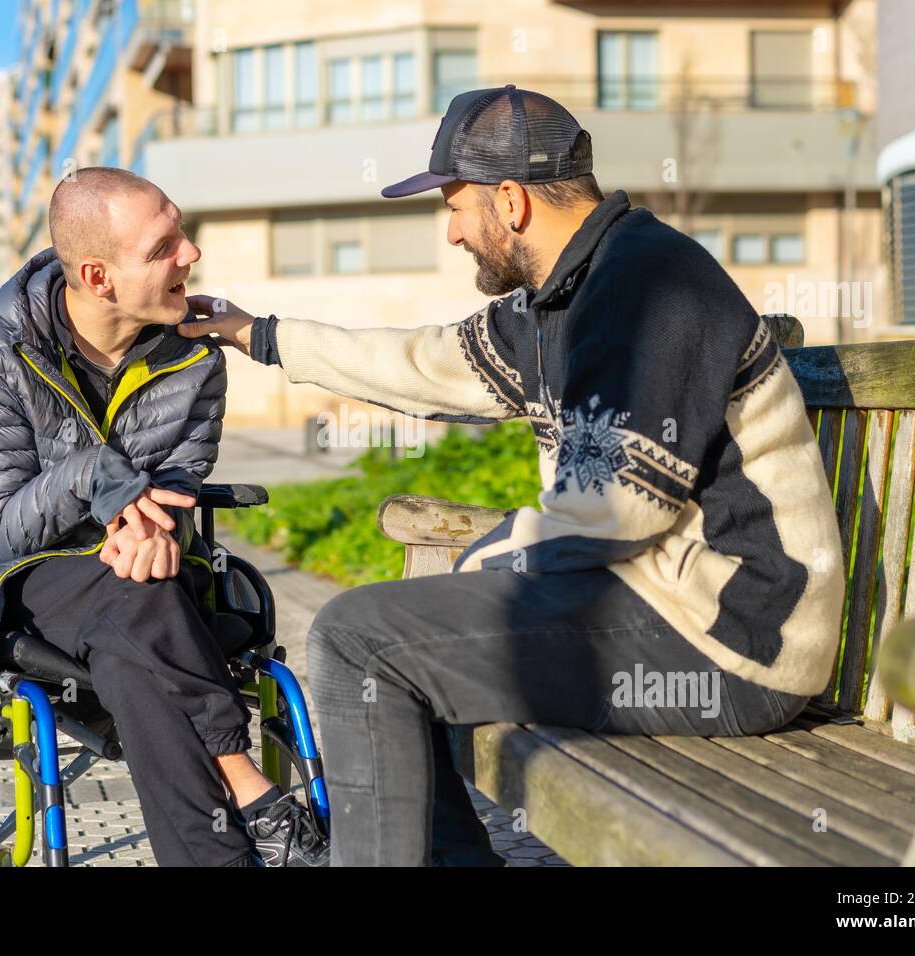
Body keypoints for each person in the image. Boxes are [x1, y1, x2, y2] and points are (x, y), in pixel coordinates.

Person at [178, 86, 846, 866]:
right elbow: (422, 364)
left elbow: (614, 508)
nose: (454, 231)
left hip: (736, 641)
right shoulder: (563, 295)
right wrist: (259, 335)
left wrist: (483, 557)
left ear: (510, 199)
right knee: (394, 643)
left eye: (456, 207)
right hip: (662, 600)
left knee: (357, 639)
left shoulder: (647, 286)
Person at [0, 166, 327, 867]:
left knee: (135, 627)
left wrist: (153, 528)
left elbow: (183, 478)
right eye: (163, 248)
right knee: (138, 602)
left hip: (155, 569)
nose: (191, 255)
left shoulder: (195, 358)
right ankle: (251, 787)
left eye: (180, 233)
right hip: (38, 574)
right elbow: (0, 524)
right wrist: (98, 479)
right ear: (98, 276)